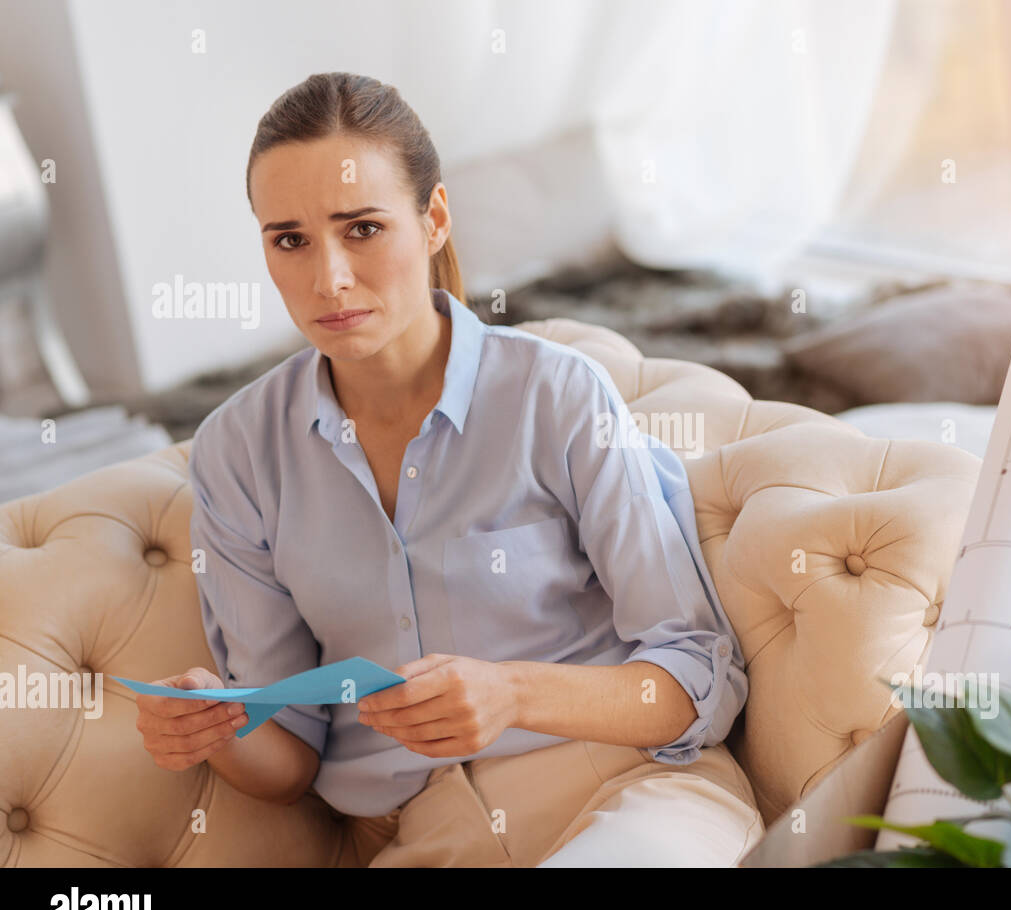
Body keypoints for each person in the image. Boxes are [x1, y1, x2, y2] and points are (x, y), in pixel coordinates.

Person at [132, 72, 763, 867]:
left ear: (432, 220)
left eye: (361, 228)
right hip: (432, 840)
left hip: (625, 793)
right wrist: (218, 730)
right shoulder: (237, 451)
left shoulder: (556, 395)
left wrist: (515, 692)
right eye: (289, 239)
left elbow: (695, 673)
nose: (327, 277)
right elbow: (289, 754)